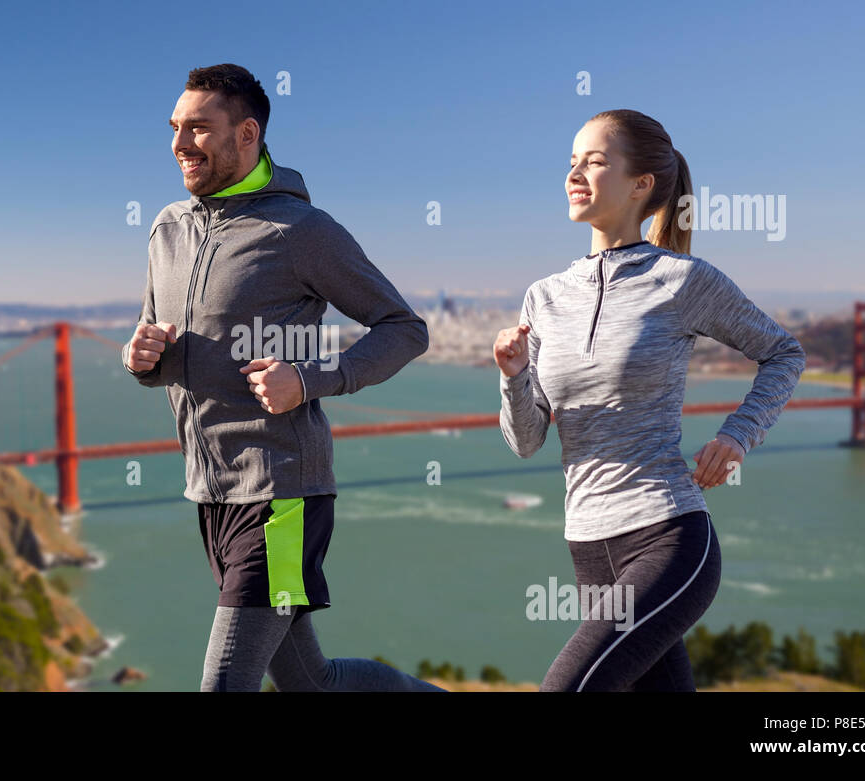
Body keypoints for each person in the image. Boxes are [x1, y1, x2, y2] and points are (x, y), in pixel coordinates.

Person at [124, 63, 442, 692]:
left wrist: (312, 378)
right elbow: (153, 343)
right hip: (210, 496)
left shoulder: (301, 231)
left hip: (284, 497)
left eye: (198, 128)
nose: (179, 143)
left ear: (247, 134)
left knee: (224, 685)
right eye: (174, 128)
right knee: (312, 684)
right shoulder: (167, 228)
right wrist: (139, 358)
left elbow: (405, 329)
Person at [494, 109, 806, 691]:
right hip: (587, 545)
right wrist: (513, 375)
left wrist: (738, 434)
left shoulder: (682, 280)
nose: (575, 174)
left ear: (641, 185)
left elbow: (783, 353)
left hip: (666, 534)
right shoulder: (544, 297)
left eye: (595, 161)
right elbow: (526, 440)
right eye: (571, 162)